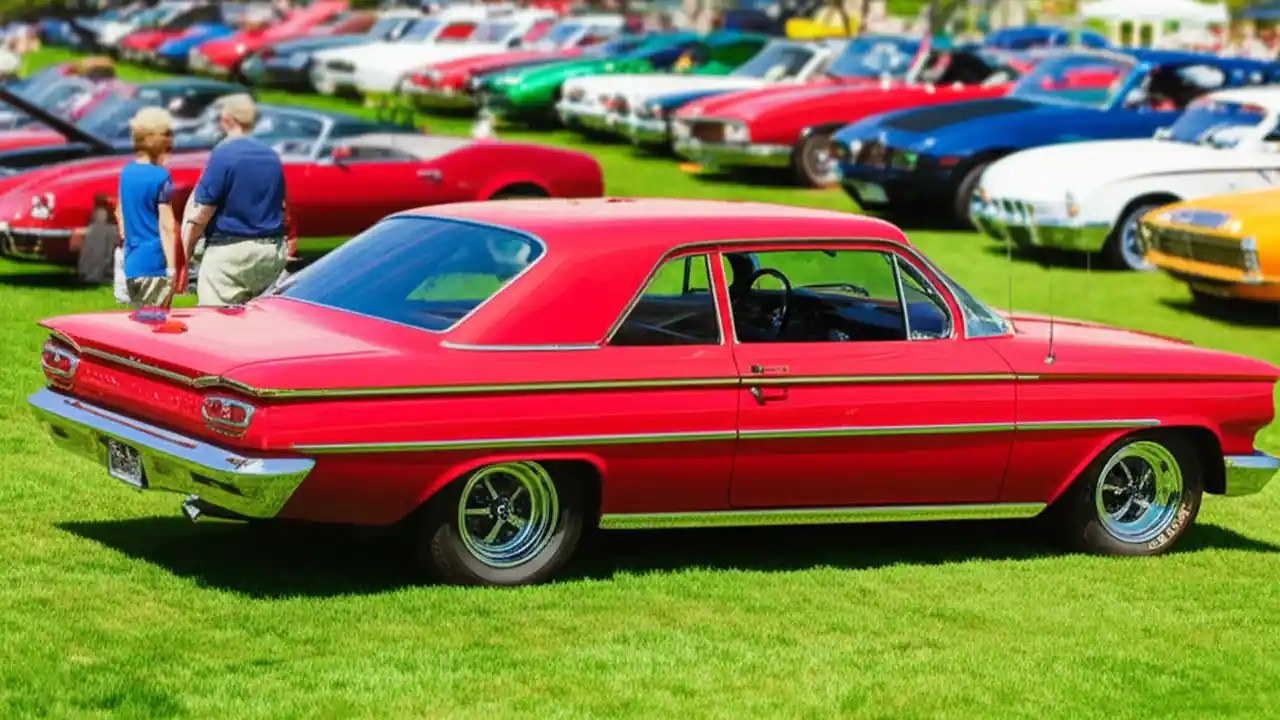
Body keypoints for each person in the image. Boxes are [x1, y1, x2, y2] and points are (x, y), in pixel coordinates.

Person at [181, 94, 289, 307]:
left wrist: (184, 253)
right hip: (270, 252)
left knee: (214, 320)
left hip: (230, 253)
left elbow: (202, 212)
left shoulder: (224, 154)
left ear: (226, 120)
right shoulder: (271, 156)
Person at [115, 107, 176, 307]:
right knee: (156, 325)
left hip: (132, 263)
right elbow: (167, 226)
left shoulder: (126, 173)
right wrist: (173, 268)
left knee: (139, 320)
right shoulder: (161, 177)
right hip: (154, 263)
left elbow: (121, 215)